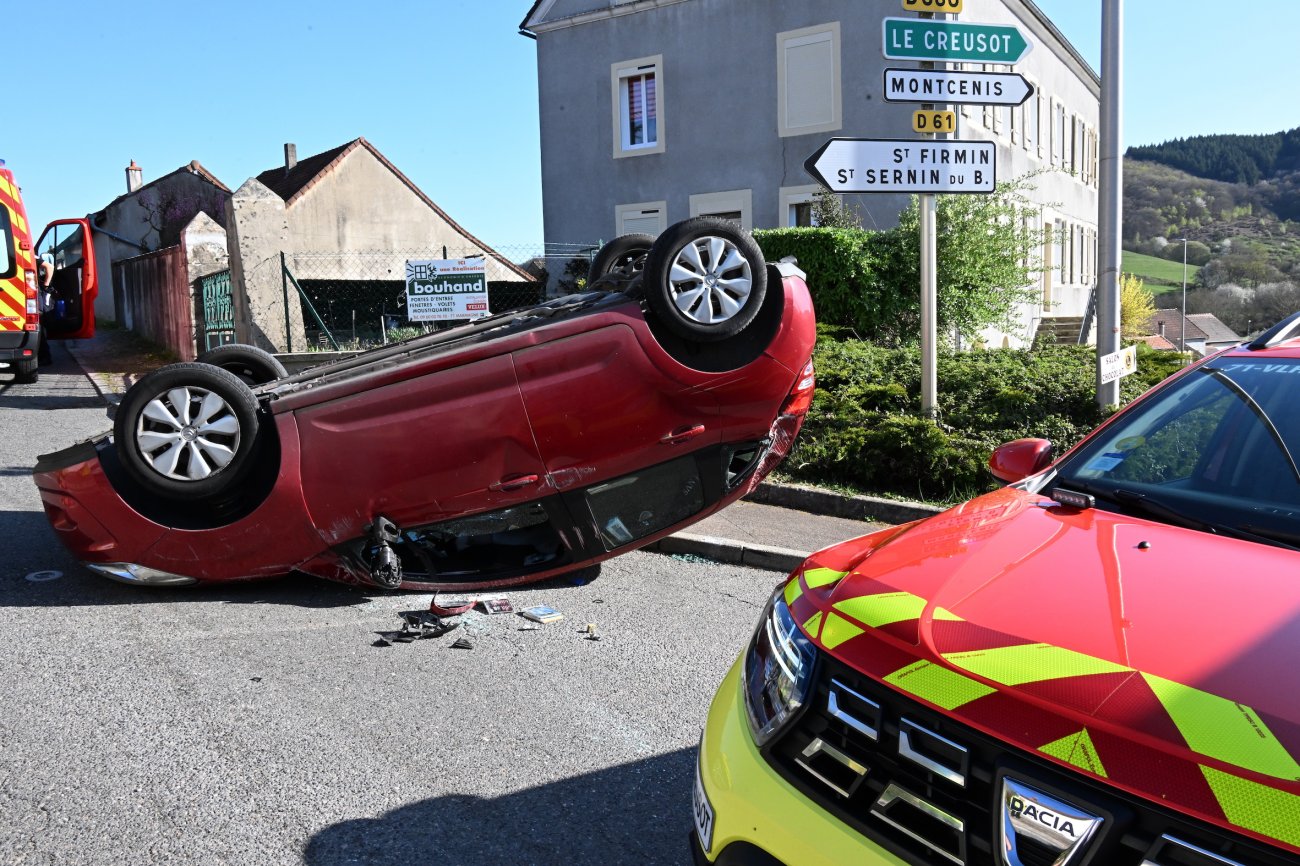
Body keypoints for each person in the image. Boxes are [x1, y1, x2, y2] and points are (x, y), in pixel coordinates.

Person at [37, 253, 54, 365]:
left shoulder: (31, 256)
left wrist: (46, 285)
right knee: (39, 324)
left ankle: (45, 356)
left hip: (33, 294)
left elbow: (50, 266)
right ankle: (44, 356)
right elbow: (50, 266)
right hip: (31, 292)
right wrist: (46, 285)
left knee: (39, 324)